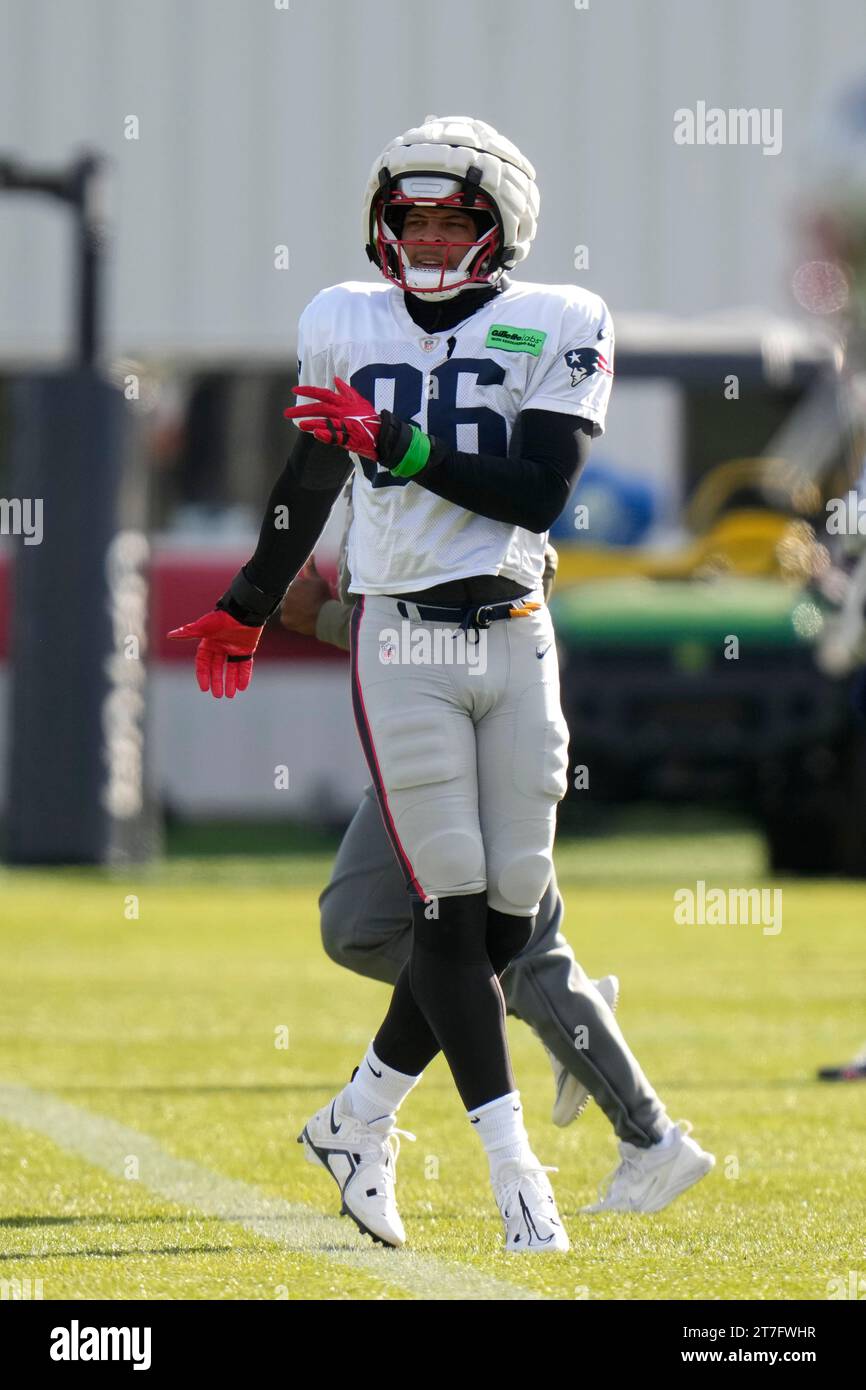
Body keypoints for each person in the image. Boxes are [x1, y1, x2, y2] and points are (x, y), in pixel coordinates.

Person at [169, 115, 712, 1250]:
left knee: (507, 917)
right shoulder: (342, 318)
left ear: (497, 224)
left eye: (448, 216)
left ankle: (359, 1114)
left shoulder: (559, 318)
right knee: (443, 910)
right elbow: (309, 475)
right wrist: (247, 602)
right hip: (402, 639)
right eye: (408, 215)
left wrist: (402, 444)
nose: (423, 234)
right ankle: (520, 1174)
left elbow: (534, 492)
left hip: (514, 630)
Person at [280, 514, 716, 1213]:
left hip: (477, 714)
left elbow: (480, 595)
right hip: (432, 709)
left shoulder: (440, 436)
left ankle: (649, 1136)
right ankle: (558, 1018)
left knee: (489, 936)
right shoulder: (381, 446)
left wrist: (330, 618)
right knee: (373, 923)